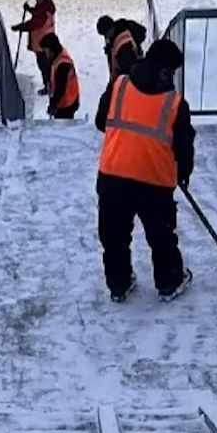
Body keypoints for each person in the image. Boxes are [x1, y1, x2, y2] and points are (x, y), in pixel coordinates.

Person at [93, 39, 195, 303]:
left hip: (112, 175)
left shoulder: (120, 85)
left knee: (114, 237)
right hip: (154, 183)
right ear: (168, 70)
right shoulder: (174, 103)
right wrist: (183, 173)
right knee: (161, 236)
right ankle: (169, 282)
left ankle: (119, 285)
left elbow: (100, 121)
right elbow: (184, 148)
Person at [9, 0, 56, 91]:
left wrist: (19, 27)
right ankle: (49, 86)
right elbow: (37, 14)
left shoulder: (44, 10)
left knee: (45, 67)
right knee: (46, 66)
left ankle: (49, 87)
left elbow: (34, 23)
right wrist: (29, 9)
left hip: (43, 43)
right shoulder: (45, 6)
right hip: (45, 42)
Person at [39, 33, 79, 120]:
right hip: (64, 101)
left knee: (63, 129)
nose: (46, 54)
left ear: (51, 49)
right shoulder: (58, 55)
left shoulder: (63, 63)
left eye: (46, 51)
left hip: (67, 102)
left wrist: (53, 104)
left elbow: (61, 89)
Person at [95, 15, 148, 79]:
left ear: (110, 30)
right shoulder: (122, 29)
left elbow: (128, 74)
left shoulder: (123, 48)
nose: (106, 38)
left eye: (105, 34)